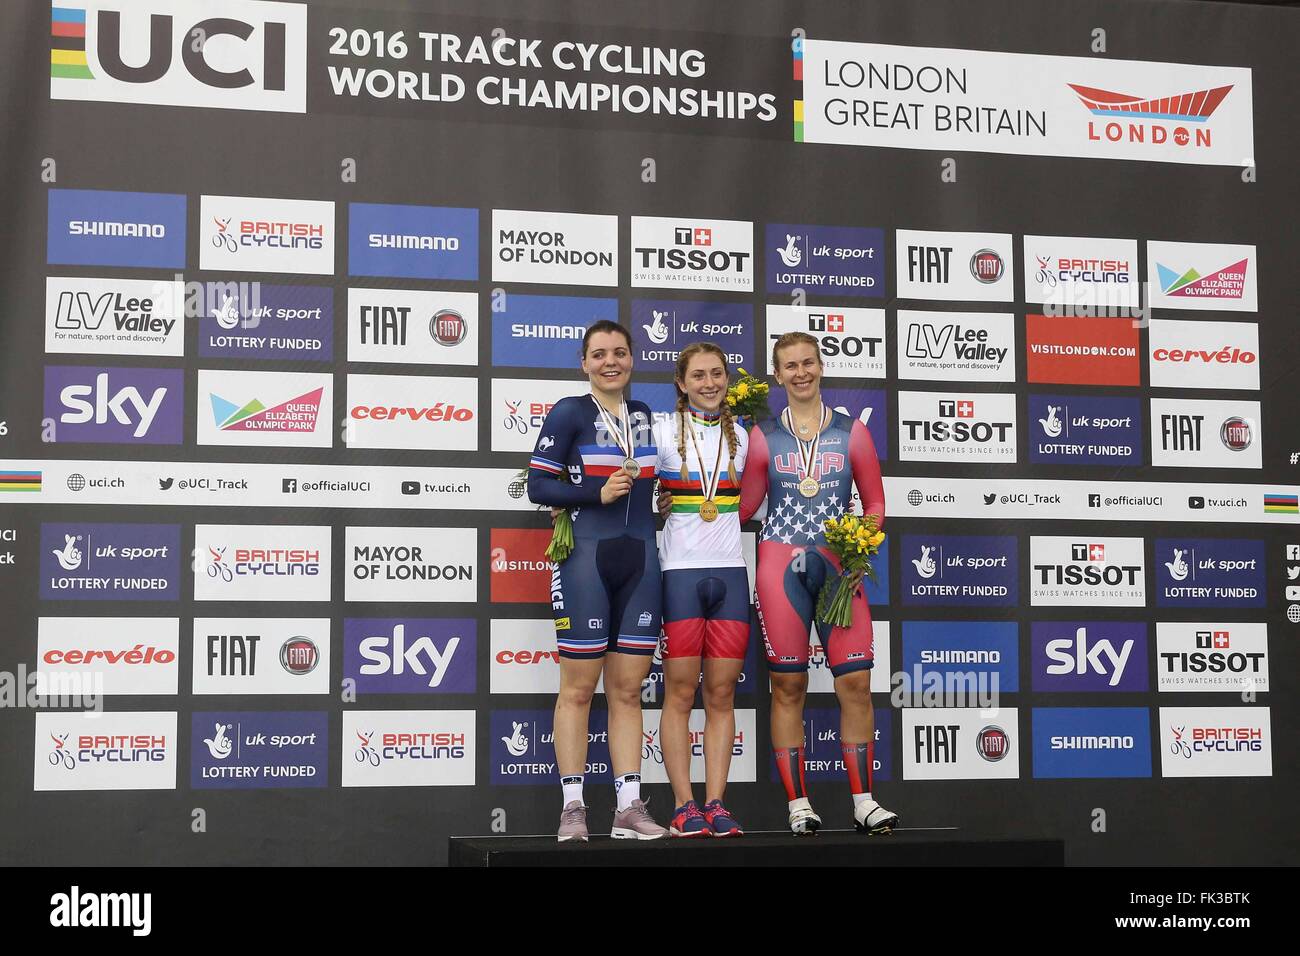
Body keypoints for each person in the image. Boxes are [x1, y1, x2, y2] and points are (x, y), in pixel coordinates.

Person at [739, 331, 899, 836]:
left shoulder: (853, 432)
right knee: (788, 685)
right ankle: (798, 805)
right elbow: (744, 508)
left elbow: (874, 505)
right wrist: (681, 507)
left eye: (809, 362)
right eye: (790, 366)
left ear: (821, 366)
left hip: (838, 566)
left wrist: (858, 546)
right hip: (778, 565)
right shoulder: (762, 436)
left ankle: (864, 801)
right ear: (778, 374)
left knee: (855, 682)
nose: (801, 372)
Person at [527, 320, 667, 842]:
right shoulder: (569, 412)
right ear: (584, 363)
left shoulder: (643, 415)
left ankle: (629, 807)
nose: (612, 362)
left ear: (632, 359)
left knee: (628, 691)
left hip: (641, 562)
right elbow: (537, 485)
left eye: (621, 353)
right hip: (585, 561)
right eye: (600, 354)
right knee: (580, 690)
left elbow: (649, 483)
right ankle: (572, 808)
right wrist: (595, 495)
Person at [653, 343, 749, 838]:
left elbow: (748, 503)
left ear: (726, 380)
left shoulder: (745, 439)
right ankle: (683, 806)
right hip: (681, 576)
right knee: (681, 693)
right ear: (682, 383)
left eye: (717, 374)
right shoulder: (663, 431)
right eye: (698, 376)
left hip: (731, 574)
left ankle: (716, 803)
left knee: (721, 694)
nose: (709, 383)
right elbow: (640, 495)